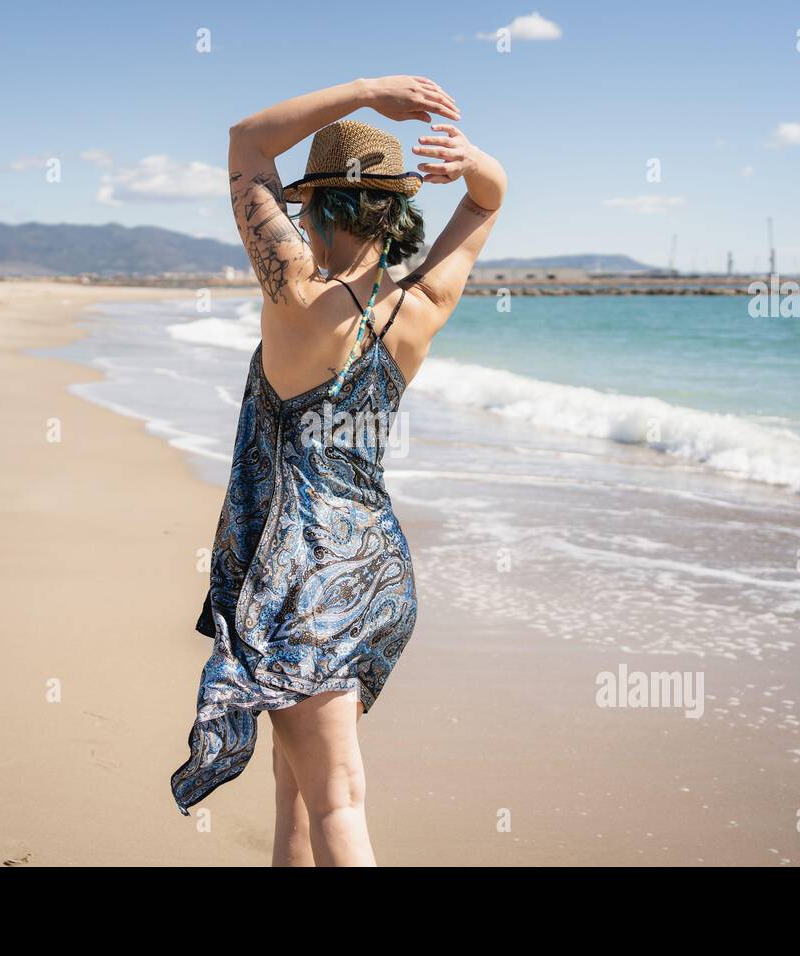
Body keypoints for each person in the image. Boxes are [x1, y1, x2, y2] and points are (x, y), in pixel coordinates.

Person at [171, 75, 506, 866]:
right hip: (375, 567)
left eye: (302, 206)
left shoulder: (294, 292)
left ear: (317, 208)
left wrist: (365, 92)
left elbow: (247, 142)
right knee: (297, 785)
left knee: (336, 798)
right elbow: (489, 202)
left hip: (300, 570)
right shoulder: (420, 308)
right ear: (393, 212)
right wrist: (474, 160)